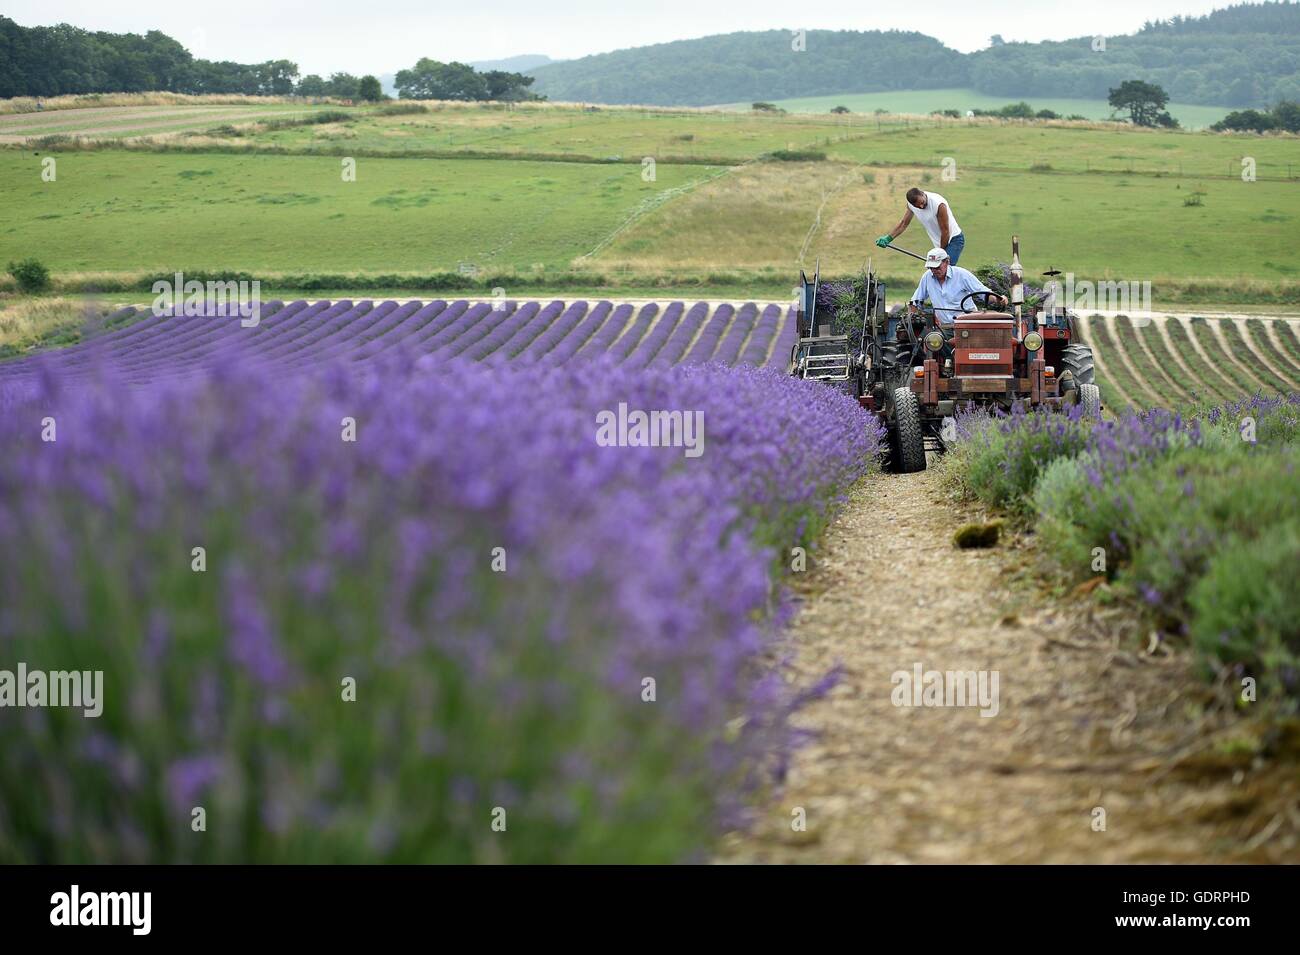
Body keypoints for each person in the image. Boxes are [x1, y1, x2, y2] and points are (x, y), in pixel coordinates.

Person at [909, 248, 1006, 325]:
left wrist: (999, 299)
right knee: (930, 342)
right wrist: (909, 319)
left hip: (967, 324)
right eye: (931, 268)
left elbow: (984, 293)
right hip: (945, 328)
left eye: (937, 267)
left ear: (947, 262)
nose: (934, 270)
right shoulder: (927, 277)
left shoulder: (962, 274)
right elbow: (915, 301)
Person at [877, 187, 965, 264]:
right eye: (918, 206)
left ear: (923, 194)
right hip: (939, 243)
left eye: (922, 202)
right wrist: (888, 238)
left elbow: (945, 231)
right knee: (935, 271)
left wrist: (940, 253)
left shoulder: (938, 204)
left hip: (954, 239)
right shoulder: (911, 206)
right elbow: (904, 223)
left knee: (945, 269)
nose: (921, 207)